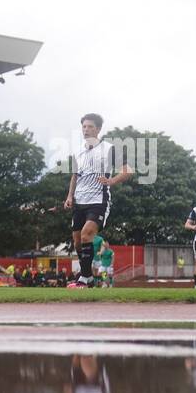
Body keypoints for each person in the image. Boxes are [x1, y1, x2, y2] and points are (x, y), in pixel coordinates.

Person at [63, 113, 133, 288]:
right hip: (80, 201)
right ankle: (87, 276)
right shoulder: (78, 150)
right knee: (77, 241)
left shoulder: (109, 149)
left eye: (90, 126)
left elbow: (128, 171)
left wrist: (111, 181)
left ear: (98, 129)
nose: (86, 130)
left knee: (87, 235)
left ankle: (85, 279)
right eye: (84, 126)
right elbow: (75, 176)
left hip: (98, 200)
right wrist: (70, 196)